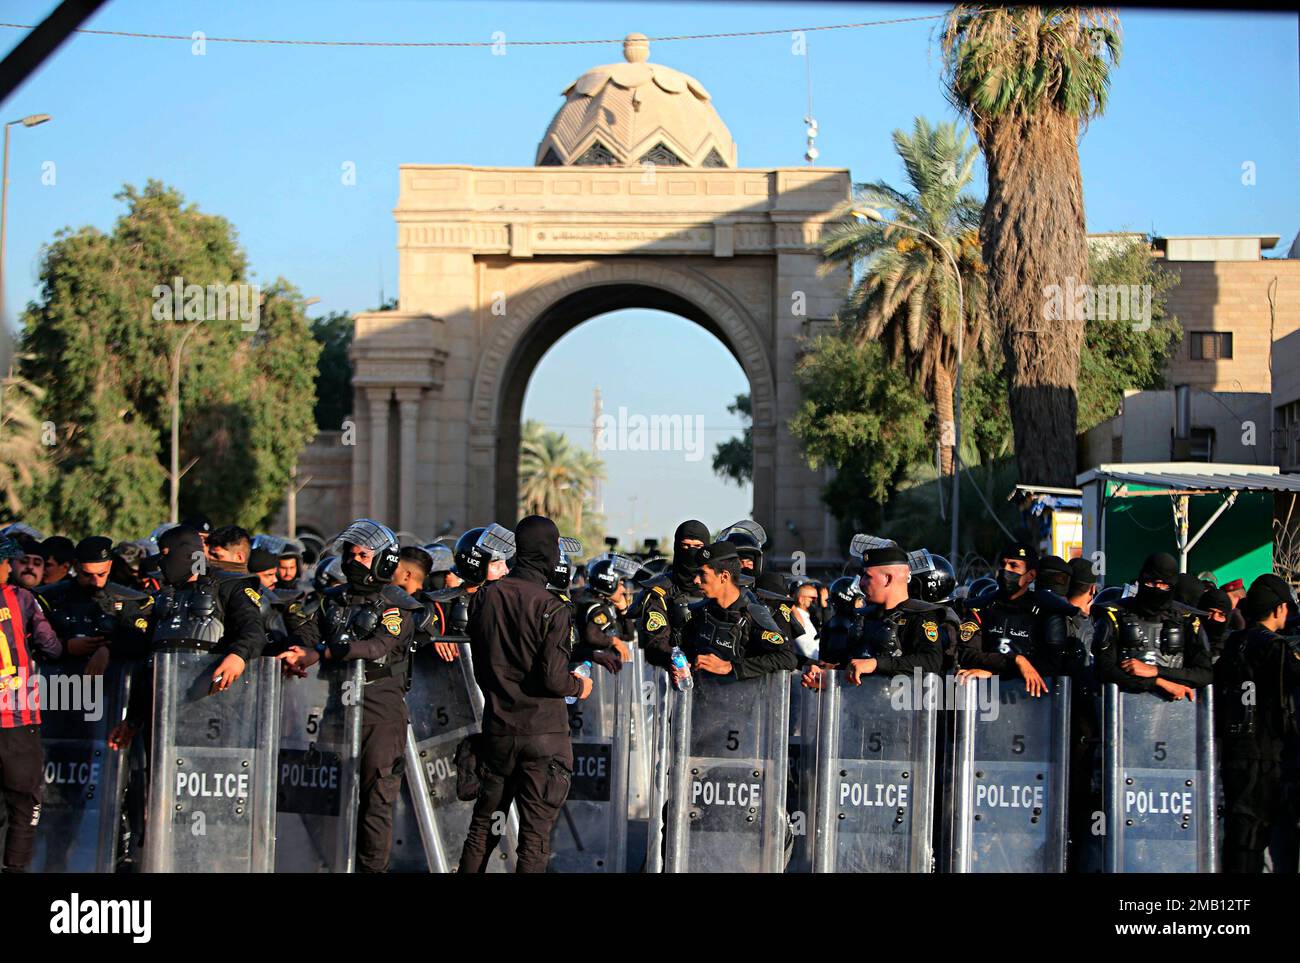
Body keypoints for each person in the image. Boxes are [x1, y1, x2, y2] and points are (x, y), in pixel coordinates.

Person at [279, 518, 421, 873]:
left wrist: (320, 653)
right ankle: (328, 865)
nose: (353, 561)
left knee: (376, 800)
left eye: (362, 555)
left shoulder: (397, 605)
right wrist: (295, 650)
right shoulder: (332, 600)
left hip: (380, 712)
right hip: (337, 709)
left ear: (384, 561)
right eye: (350, 554)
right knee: (325, 795)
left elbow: (376, 647)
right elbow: (309, 634)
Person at [458, 516, 592, 874]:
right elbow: (553, 679)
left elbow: (482, 660)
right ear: (547, 551)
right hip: (543, 734)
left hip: (498, 730)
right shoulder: (552, 606)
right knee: (534, 840)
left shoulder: (485, 596)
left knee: (483, 829)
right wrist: (580, 686)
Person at [108, 525, 268, 751]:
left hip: (213, 710)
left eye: (166, 554)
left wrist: (238, 656)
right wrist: (133, 721)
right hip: (162, 712)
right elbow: (148, 662)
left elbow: (253, 631)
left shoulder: (229, 586)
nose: (161, 563)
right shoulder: (164, 597)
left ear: (186, 554)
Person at [1215, 574, 1300, 873]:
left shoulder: (1234, 642)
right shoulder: (1277, 648)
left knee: (1239, 832)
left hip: (1233, 748)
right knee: (1259, 836)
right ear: (1279, 609)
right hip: (1267, 752)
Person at [803, 543, 951, 690]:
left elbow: (931, 661)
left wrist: (876, 664)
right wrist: (827, 677)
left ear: (888, 579)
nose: (861, 583)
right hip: (858, 702)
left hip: (901, 703)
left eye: (867, 577)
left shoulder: (920, 616)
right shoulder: (864, 616)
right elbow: (854, 664)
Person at [0, 535, 63, 872]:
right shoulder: (21, 598)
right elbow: (51, 646)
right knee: (24, 806)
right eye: (7, 561)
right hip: (16, 718)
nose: (11, 567)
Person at [669, 542, 797, 686]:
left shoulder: (753, 614)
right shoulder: (699, 613)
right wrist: (682, 668)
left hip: (744, 698)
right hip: (702, 697)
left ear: (724, 576)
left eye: (703, 574)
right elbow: (686, 654)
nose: (696, 580)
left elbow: (787, 658)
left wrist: (731, 667)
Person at [1090, 552, 1211, 701]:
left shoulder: (1187, 620)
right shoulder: (1115, 616)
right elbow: (1104, 670)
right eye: (1151, 583)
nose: (1157, 589)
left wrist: (1155, 671)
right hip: (1122, 707)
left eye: (1164, 585)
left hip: (1177, 709)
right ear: (1141, 581)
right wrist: (1157, 682)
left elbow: (1204, 673)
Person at [956, 542, 1060, 696]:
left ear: (1031, 575)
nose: (1006, 570)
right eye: (1003, 565)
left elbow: (1051, 665)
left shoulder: (1043, 613)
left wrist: (999, 673)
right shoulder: (982, 607)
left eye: (1014, 566)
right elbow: (968, 654)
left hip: (1029, 700)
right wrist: (1016, 660)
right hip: (983, 697)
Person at [36, 536, 154, 670]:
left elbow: (140, 641)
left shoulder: (127, 599)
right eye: (87, 575)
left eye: (101, 574)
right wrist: (64, 646)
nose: (95, 582)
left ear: (110, 565)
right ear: (75, 565)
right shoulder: (49, 597)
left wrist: (109, 649)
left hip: (112, 678)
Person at [637, 519, 709, 668]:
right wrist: (678, 662)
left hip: (715, 674)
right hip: (676, 672)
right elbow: (655, 644)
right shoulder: (662, 590)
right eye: (685, 546)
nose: (691, 552)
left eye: (698, 547)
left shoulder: (716, 589)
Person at [1198, 587, 1234, 663]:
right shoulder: (1190, 634)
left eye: (1221, 614)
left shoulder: (1231, 643)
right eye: (1210, 611)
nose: (1214, 618)